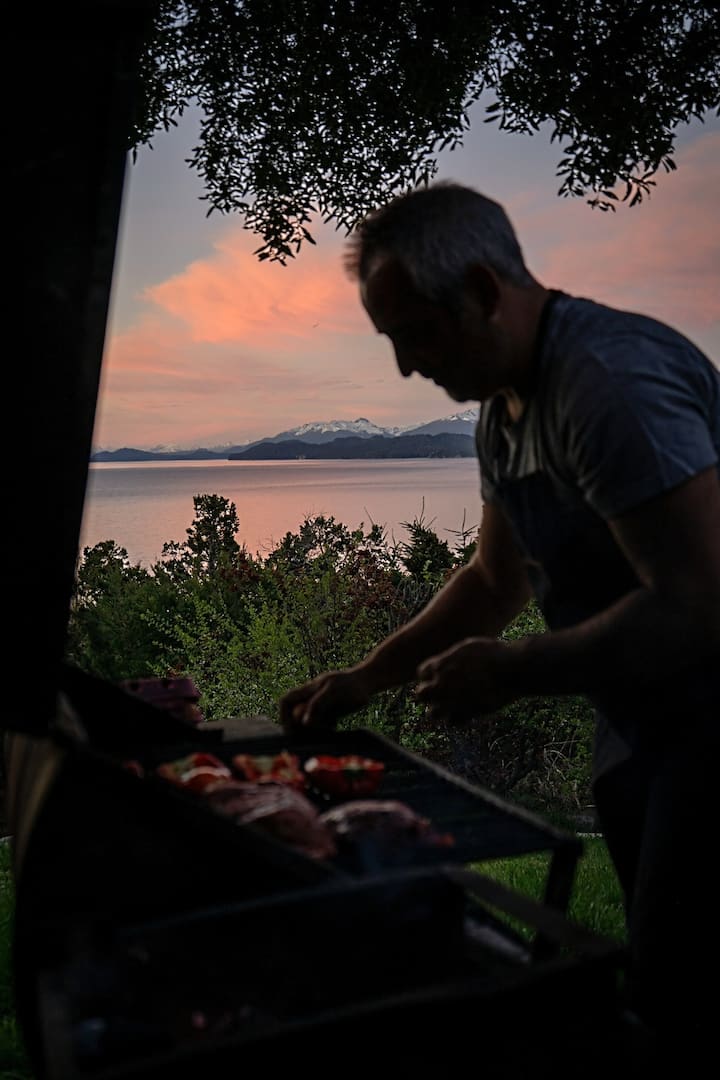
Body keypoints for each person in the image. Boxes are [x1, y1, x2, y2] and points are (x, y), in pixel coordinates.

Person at [279, 181, 720, 1058]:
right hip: (642, 721)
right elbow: (492, 581)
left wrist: (515, 670)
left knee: (677, 993)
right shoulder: (504, 414)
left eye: (416, 334)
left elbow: (701, 602)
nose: (406, 367)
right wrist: (370, 676)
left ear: (482, 291)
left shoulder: (607, 385)